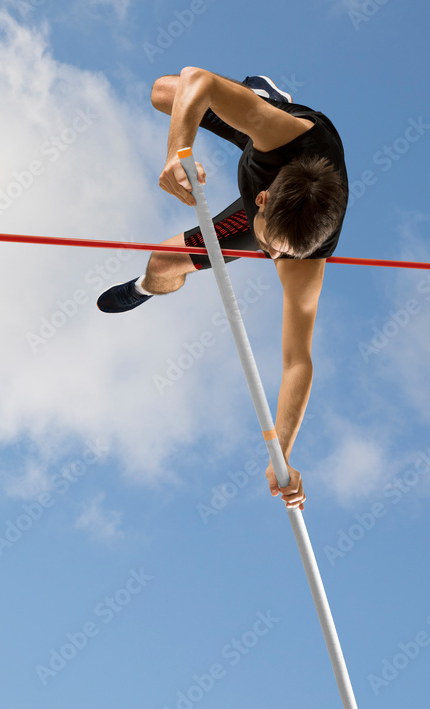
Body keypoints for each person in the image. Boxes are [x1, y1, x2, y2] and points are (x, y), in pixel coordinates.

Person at [98, 68, 348, 511]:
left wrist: (282, 453)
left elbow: (297, 362)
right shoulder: (282, 134)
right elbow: (199, 78)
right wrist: (178, 153)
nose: (269, 257)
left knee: (162, 263)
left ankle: (144, 289)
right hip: (271, 148)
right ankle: (262, 97)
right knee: (163, 93)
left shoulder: (302, 258)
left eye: (277, 255)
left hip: (292, 209)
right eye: (267, 246)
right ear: (263, 200)